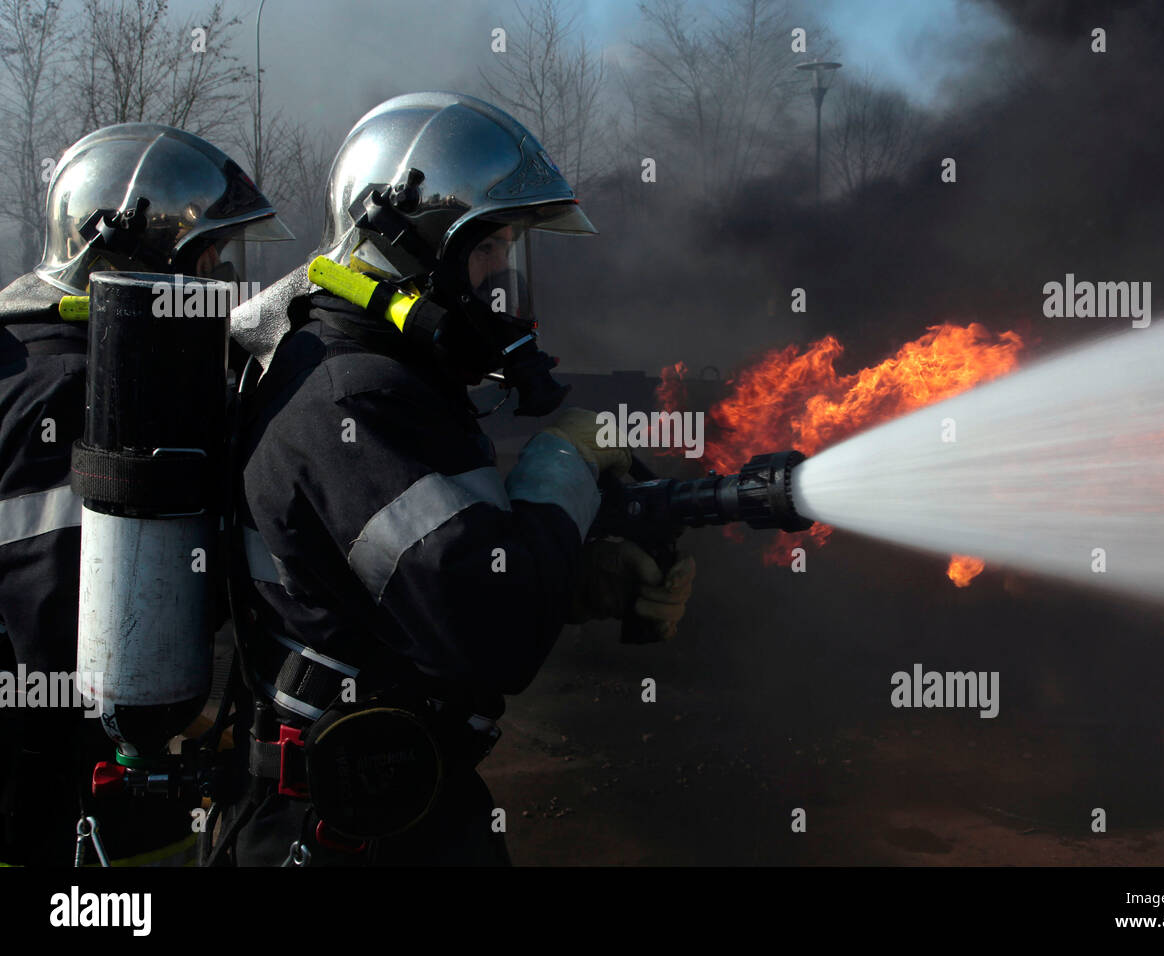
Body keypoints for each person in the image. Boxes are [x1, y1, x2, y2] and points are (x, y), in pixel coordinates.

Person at [225, 91, 695, 866]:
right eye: (487, 246)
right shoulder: (355, 395)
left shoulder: (383, 378)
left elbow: (419, 587)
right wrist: (564, 461)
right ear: (408, 245)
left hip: (399, 800)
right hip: (349, 827)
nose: (502, 272)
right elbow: (487, 632)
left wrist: (580, 577)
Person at [0, 123, 292, 866]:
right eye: (203, 258)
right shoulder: (83, 391)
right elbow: (76, 623)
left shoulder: (23, 355)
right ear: (129, 255)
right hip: (58, 799)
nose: (217, 283)